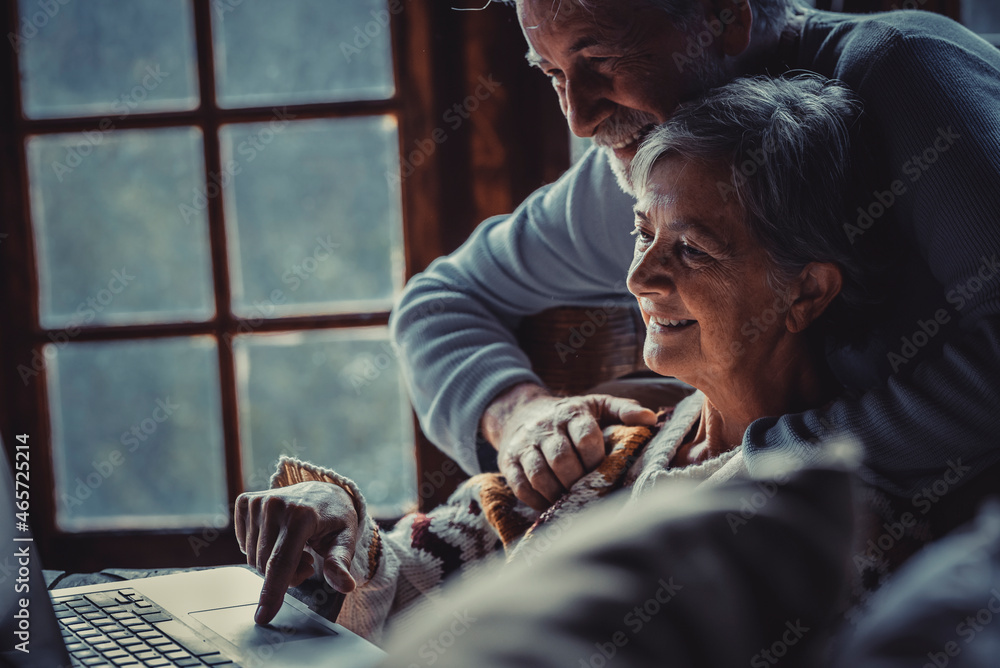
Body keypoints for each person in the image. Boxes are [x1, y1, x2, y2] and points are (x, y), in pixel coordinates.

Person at [236, 74, 870, 640]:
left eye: (694, 250)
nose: (639, 277)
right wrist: (333, 533)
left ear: (806, 290)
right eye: (642, 234)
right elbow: (409, 580)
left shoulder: (825, 529)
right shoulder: (621, 442)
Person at [389, 0, 1000, 510]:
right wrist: (520, 415)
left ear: (725, 14)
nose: (577, 118)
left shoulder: (906, 74)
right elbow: (439, 301)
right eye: (552, 74)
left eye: (602, 59)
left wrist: (779, 455)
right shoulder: (634, 170)